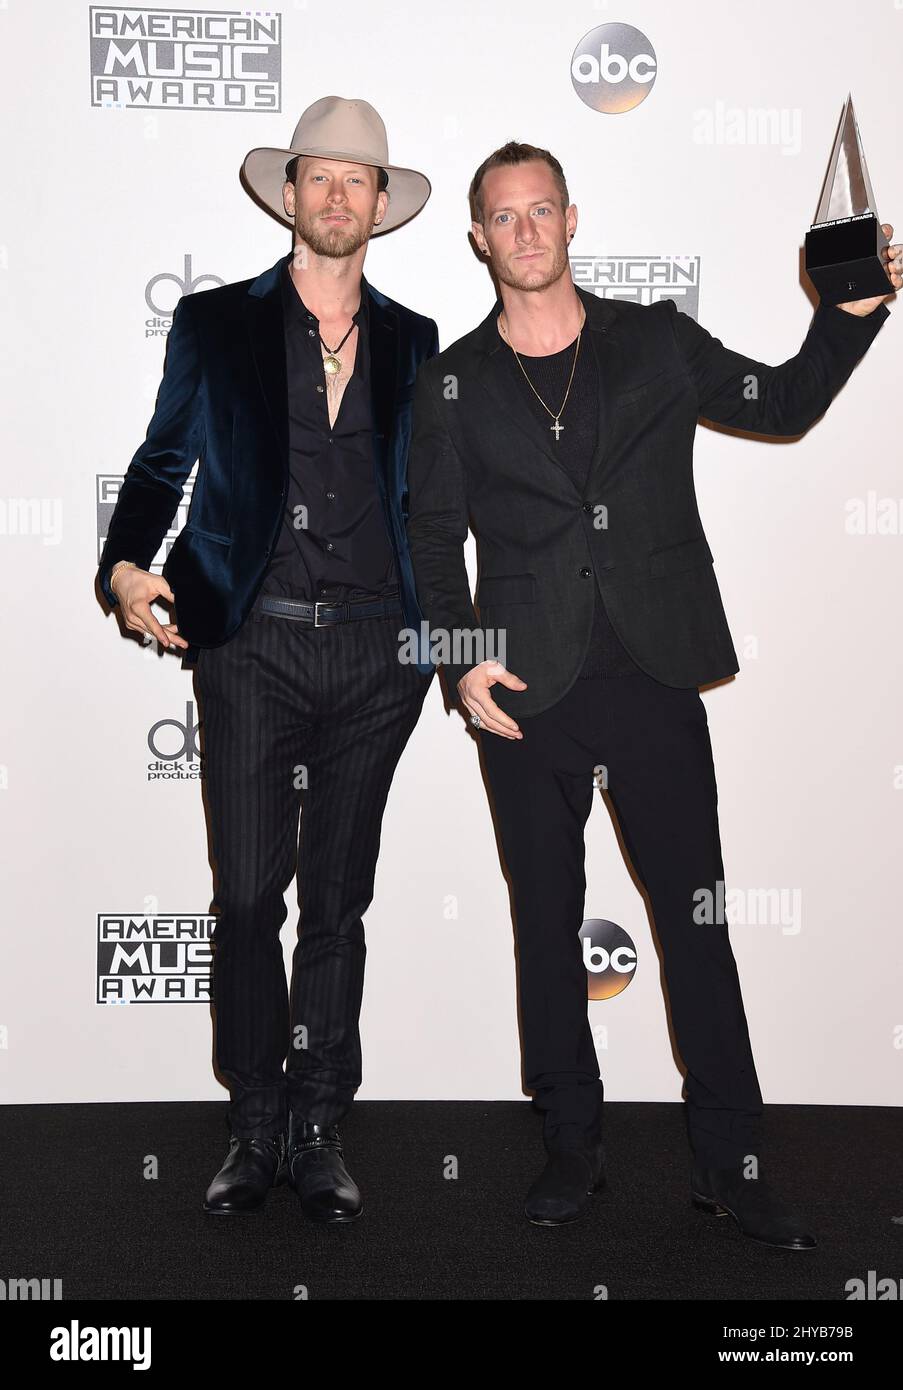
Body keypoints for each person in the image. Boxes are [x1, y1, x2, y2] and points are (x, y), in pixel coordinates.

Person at [406, 140, 898, 1242]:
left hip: (654, 671)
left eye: (542, 209)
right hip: (523, 688)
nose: (525, 230)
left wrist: (852, 310)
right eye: (504, 215)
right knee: (545, 924)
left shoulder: (658, 340)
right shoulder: (449, 381)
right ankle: (571, 1146)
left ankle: (732, 1159)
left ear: (572, 219)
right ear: (478, 236)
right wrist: (459, 651)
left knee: (697, 924)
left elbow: (782, 403)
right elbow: (433, 535)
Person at [97, 96, 437, 1222]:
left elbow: (434, 507)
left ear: (381, 207)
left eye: (360, 181)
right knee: (248, 897)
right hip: (250, 646)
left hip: (379, 657)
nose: (338, 198)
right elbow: (161, 463)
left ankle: (318, 1121)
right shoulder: (215, 324)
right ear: (288, 192)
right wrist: (121, 569)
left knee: (339, 900)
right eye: (319, 178)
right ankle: (253, 1121)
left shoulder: (415, 339)